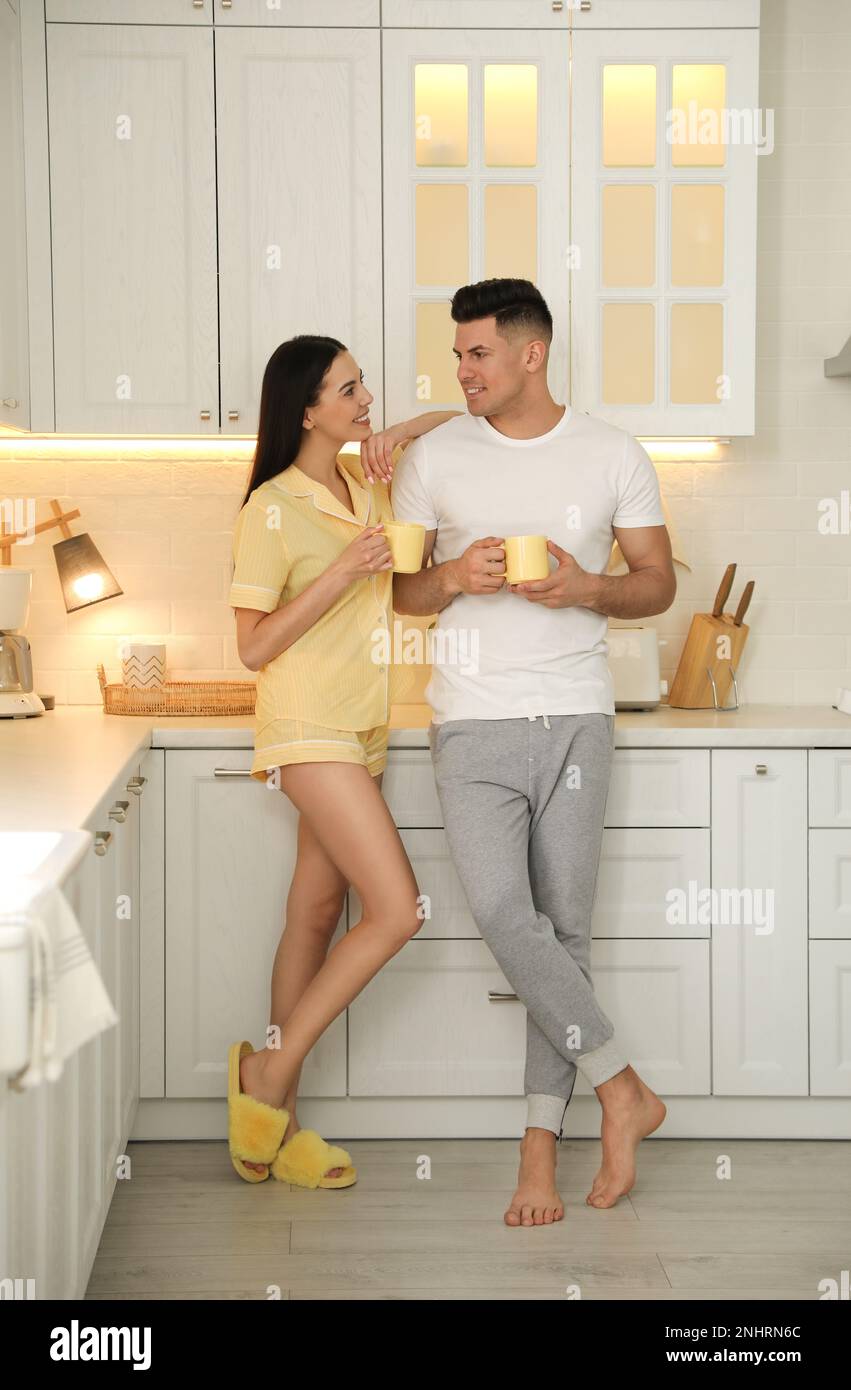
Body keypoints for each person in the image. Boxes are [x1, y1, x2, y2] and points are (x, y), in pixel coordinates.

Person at [390, 277, 676, 1227]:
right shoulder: (432, 459)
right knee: (509, 916)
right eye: (458, 353)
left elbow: (657, 585)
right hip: (469, 721)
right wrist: (448, 575)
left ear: (529, 354)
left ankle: (538, 1157)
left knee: (564, 933)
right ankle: (621, 1086)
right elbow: (401, 597)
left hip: (576, 718)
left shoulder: (612, 454)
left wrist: (587, 587)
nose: (460, 369)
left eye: (476, 353)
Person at [226, 334, 455, 1187]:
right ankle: (267, 1077)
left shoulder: (360, 483)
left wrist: (395, 431)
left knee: (316, 912)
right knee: (397, 910)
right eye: (347, 390)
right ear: (307, 408)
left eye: (364, 384)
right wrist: (343, 572)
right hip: (305, 723)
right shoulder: (271, 509)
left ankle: (276, 1131)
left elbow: (451, 421)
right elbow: (251, 648)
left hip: (361, 727)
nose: (365, 399)